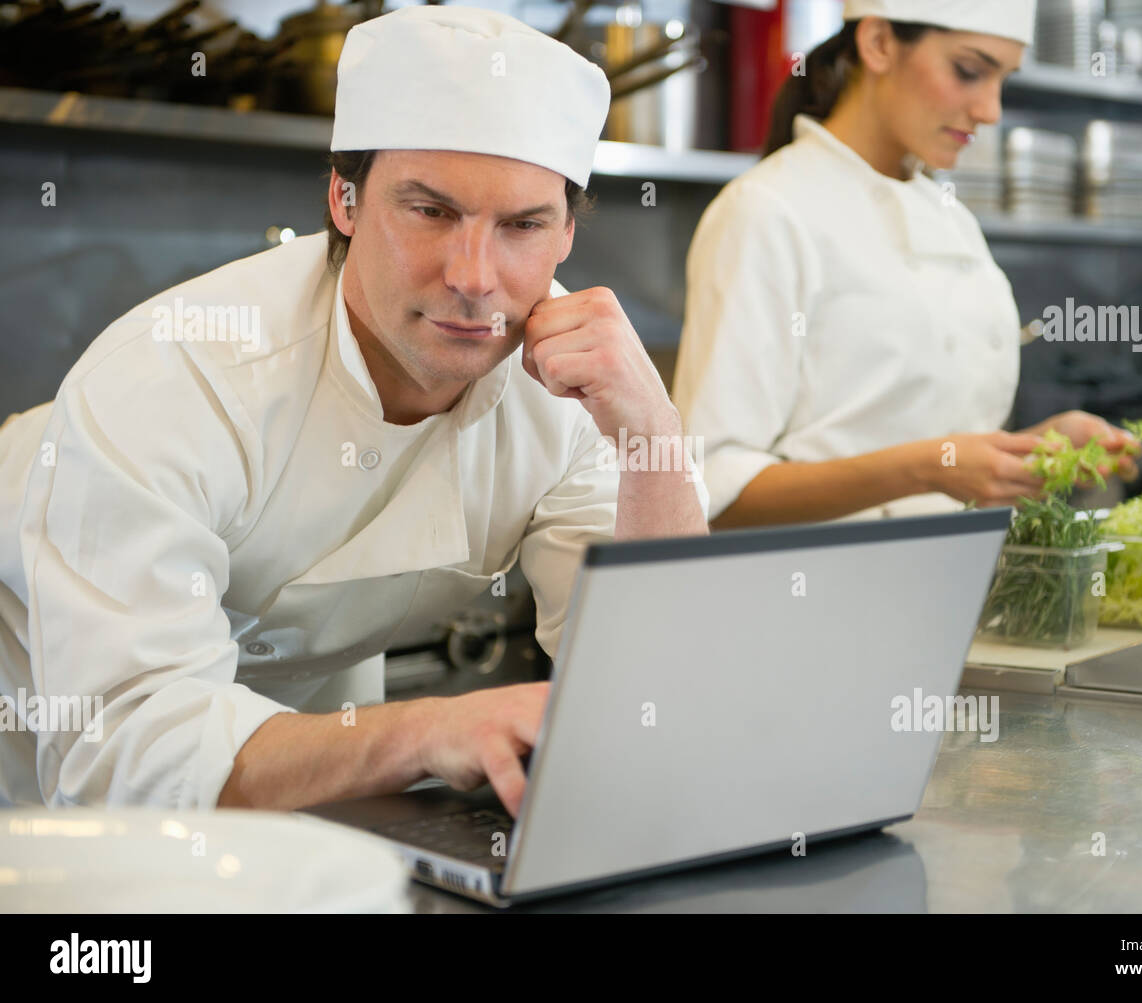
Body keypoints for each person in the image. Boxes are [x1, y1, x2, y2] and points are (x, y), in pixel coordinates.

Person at [0, 6, 707, 814]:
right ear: (344, 199)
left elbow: (656, 695)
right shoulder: (175, 378)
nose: (475, 277)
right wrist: (432, 729)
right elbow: (126, 757)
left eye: (521, 225)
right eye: (431, 211)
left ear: (566, 236)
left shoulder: (574, 388)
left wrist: (655, 434)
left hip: (302, 746)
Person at [672, 0, 1140, 529]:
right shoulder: (765, 210)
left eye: (1002, 80)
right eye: (969, 71)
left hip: (959, 588)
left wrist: (1038, 449)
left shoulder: (951, 220)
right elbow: (713, 485)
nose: (991, 110)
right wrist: (925, 469)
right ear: (878, 44)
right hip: (813, 596)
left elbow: (940, 446)